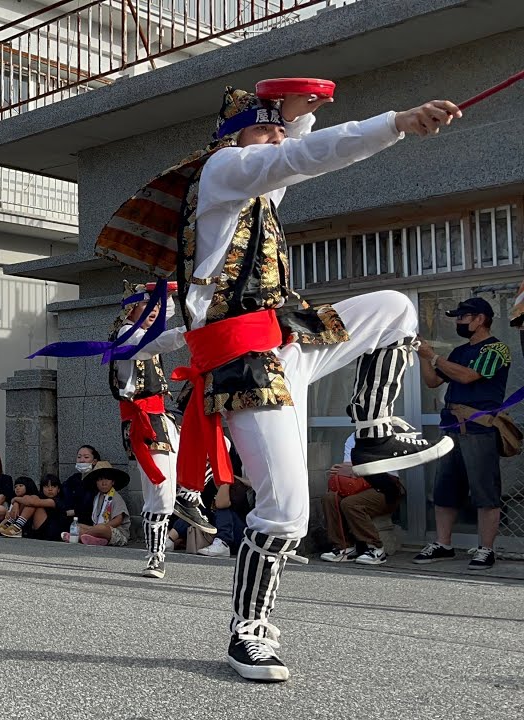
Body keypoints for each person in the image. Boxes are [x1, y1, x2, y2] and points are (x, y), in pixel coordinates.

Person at [73, 83, 461, 681]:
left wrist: (294, 119)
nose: (278, 139)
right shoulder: (223, 169)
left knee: (394, 309)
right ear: (233, 137)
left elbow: (287, 163)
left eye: (280, 131)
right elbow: (294, 160)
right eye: (267, 128)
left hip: (287, 340)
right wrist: (398, 121)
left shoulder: (250, 189)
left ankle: (374, 429)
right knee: (285, 513)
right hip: (245, 367)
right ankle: (249, 632)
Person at [107, 281, 216, 580]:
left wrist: (166, 293)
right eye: (147, 305)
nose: (154, 311)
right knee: (159, 494)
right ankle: (155, 557)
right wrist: (191, 330)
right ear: (131, 308)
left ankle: (188, 495)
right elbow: (156, 342)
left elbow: (162, 320)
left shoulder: (144, 330)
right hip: (143, 422)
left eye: (155, 306)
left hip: (163, 416)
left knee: (218, 444)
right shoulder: (126, 335)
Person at [415, 296, 510, 570]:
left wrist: (433, 356)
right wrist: (422, 356)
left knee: (485, 490)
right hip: (451, 426)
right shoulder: (458, 351)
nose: (458, 321)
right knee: (444, 488)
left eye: (462, 317)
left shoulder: (497, 349)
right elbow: (433, 381)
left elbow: (469, 376)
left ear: (480, 319)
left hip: (480, 427)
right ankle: (443, 544)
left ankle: (486, 549)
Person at [320, 435, 403, 566]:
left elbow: (384, 469)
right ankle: (344, 547)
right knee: (330, 498)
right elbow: (349, 466)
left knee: (351, 503)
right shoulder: (353, 438)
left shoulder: (388, 436)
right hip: (359, 484)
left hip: (386, 487)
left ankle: (376, 549)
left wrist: (354, 468)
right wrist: (340, 470)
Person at [62, 465, 132, 546]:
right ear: (96, 482)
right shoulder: (97, 497)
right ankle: (96, 539)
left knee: (101, 529)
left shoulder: (116, 497)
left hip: (114, 531)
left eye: (107, 479)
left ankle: (79, 537)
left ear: (113, 482)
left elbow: (118, 520)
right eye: (100, 480)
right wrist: (95, 528)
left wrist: (102, 527)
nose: (104, 483)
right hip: (96, 528)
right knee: (77, 526)